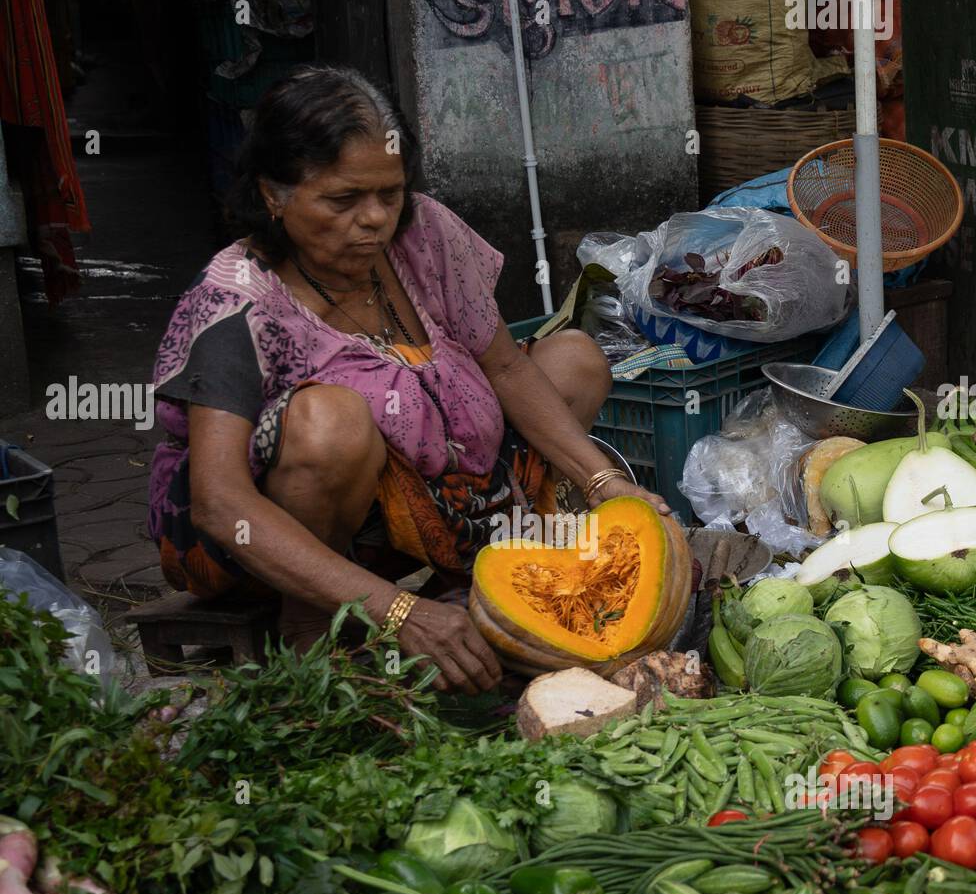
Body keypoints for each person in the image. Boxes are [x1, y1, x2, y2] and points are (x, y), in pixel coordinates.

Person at [148, 65, 667, 693]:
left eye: (388, 195)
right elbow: (219, 501)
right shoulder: (236, 304)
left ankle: (484, 574)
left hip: (433, 501)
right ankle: (312, 627)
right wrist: (398, 610)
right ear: (273, 195)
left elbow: (503, 364)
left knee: (574, 357)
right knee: (328, 423)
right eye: (342, 200)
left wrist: (607, 482)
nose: (373, 220)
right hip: (271, 538)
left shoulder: (424, 233)